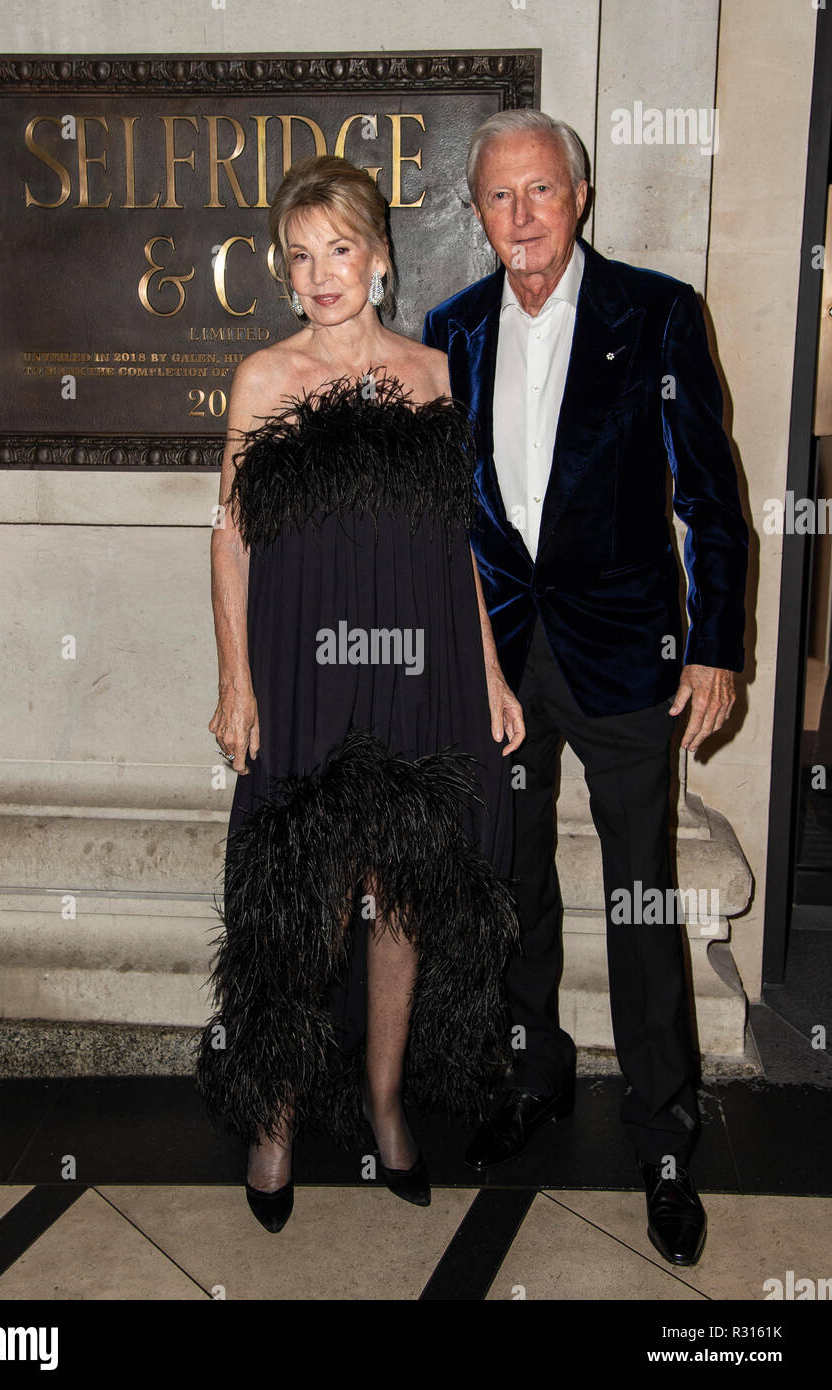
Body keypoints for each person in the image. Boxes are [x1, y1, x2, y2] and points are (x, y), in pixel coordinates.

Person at [423, 110, 749, 1267]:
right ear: (478, 214)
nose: (522, 218)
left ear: (580, 195)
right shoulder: (448, 330)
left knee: (641, 896)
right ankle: (533, 1070)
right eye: (499, 199)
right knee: (508, 880)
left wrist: (713, 645)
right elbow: (446, 520)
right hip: (504, 659)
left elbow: (710, 499)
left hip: (625, 659)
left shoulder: (654, 313)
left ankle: (663, 1135)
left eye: (541, 192)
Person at [195, 154, 525, 1233]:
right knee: (303, 899)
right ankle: (276, 1118)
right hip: (300, 668)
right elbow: (231, 540)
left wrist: (484, 672)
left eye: (340, 248)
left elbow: (455, 546)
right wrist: (236, 679)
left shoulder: (433, 374)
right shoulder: (263, 379)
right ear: (285, 276)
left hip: (419, 662)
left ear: (380, 257)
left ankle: (384, 1101)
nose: (321, 272)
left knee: (402, 894)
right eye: (301, 255)